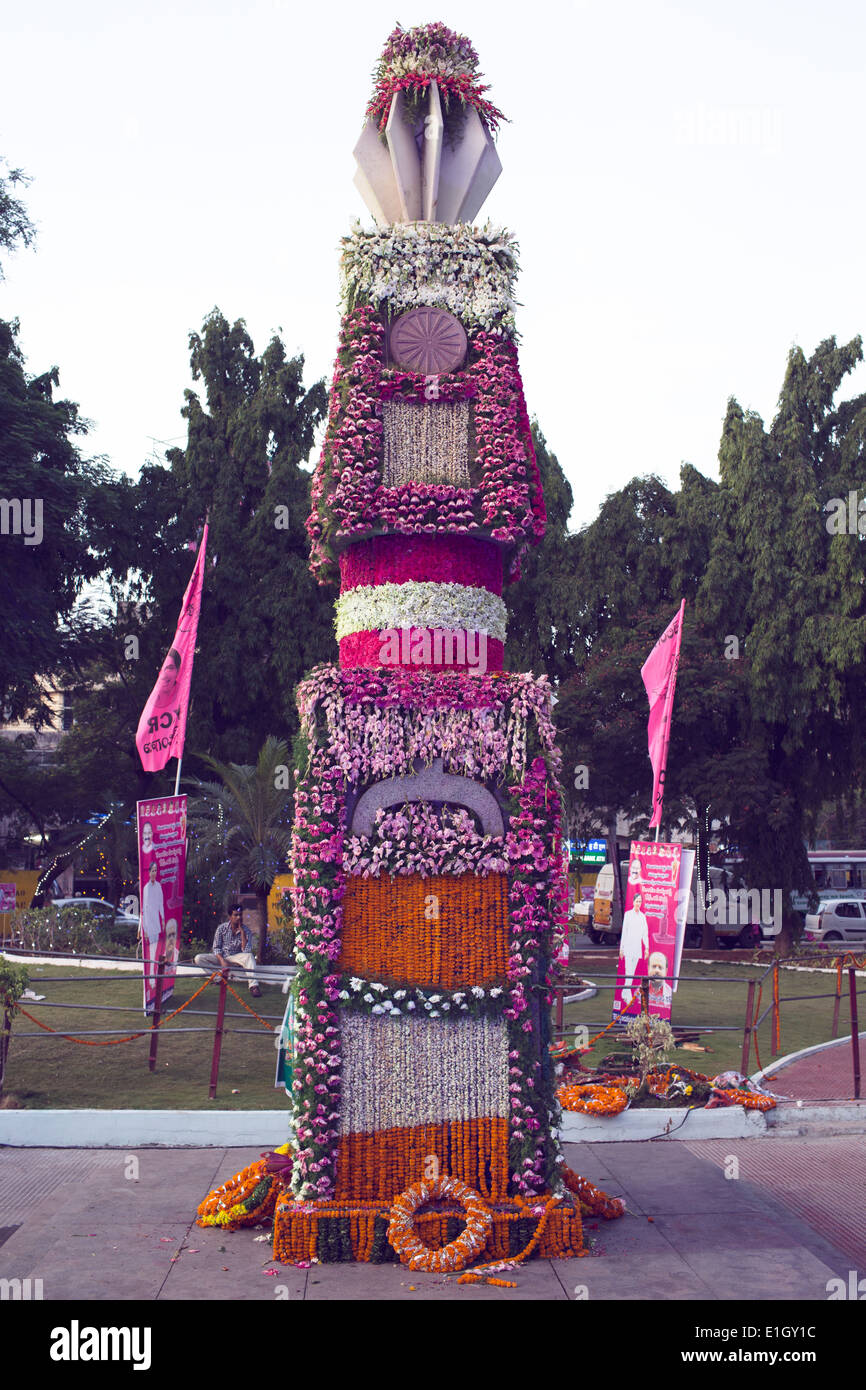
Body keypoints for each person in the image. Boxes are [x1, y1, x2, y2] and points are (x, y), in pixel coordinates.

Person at [195, 903, 261, 996]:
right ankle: (219, 979)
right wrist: (222, 960)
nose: (239, 917)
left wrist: (242, 933)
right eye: (236, 915)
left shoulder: (246, 931)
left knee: (249, 956)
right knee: (199, 958)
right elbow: (216, 948)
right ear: (230, 916)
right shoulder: (222, 928)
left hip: (236, 959)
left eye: (240, 915)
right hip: (222, 957)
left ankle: (254, 986)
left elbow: (246, 951)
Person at [618, 890, 649, 1008]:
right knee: (628, 971)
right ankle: (627, 994)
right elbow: (624, 932)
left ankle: (624, 992)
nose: (638, 903)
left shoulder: (642, 917)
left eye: (640, 901)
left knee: (631, 972)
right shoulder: (628, 915)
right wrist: (622, 949)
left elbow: (644, 934)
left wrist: (647, 948)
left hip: (637, 948)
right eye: (637, 901)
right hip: (628, 947)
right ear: (633, 902)